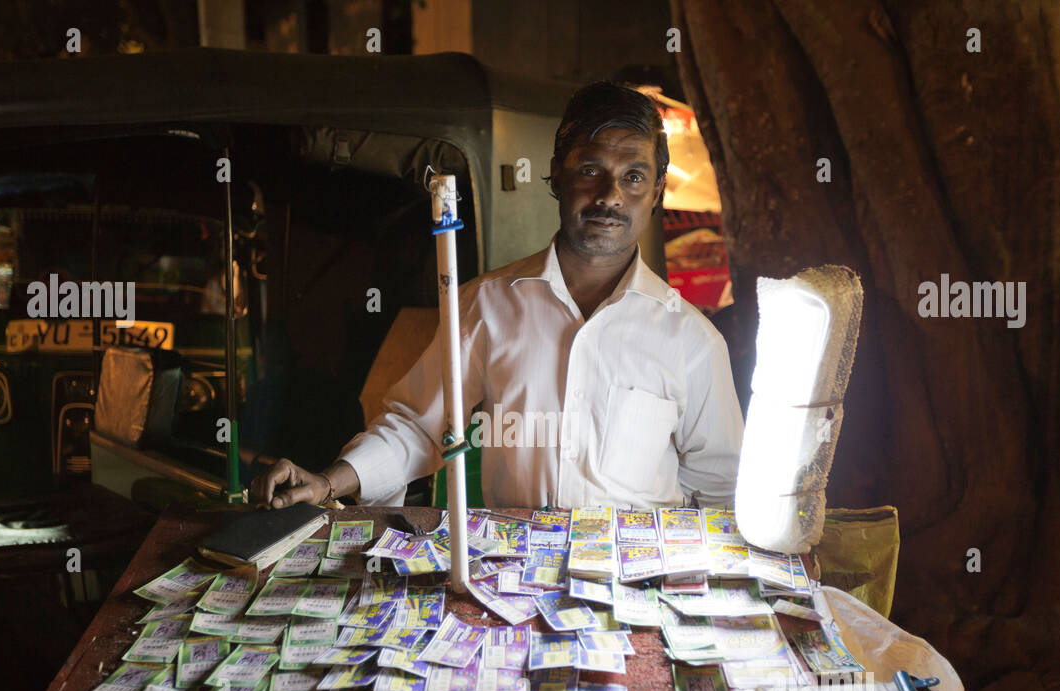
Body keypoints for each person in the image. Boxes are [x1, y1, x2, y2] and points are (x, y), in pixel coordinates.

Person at [252, 81, 743, 512]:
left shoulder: (692, 340)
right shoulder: (486, 305)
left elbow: (718, 490)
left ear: (656, 192)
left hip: (638, 581)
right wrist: (327, 483)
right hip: (515, 577)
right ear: (558, 174)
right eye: (591, 170)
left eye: (634, 176)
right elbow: (418, 427)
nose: (610, 195)